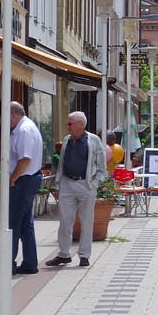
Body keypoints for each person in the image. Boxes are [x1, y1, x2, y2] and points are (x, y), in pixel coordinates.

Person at [46, 111, 108, 268]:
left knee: (87, 222)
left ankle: (84, 255)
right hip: (67, 183)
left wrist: (94, 183)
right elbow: (61, 163)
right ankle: (63, 254)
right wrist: (59, 183)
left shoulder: (93, 140)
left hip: (85, 184)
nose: (67, 127)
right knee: (65, 221)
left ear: (81, 125)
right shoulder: (67, 140)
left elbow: (102, 166)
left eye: (70, 124)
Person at [8, 102, 43, 275]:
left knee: (13, 223)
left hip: (23, 181)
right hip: (26, 180)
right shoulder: (25, 128)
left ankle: (8, 264)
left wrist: (12, 179)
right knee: (24, 223)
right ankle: (30, 262)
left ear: (13, 115)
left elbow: (25, 159)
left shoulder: (23, 130)